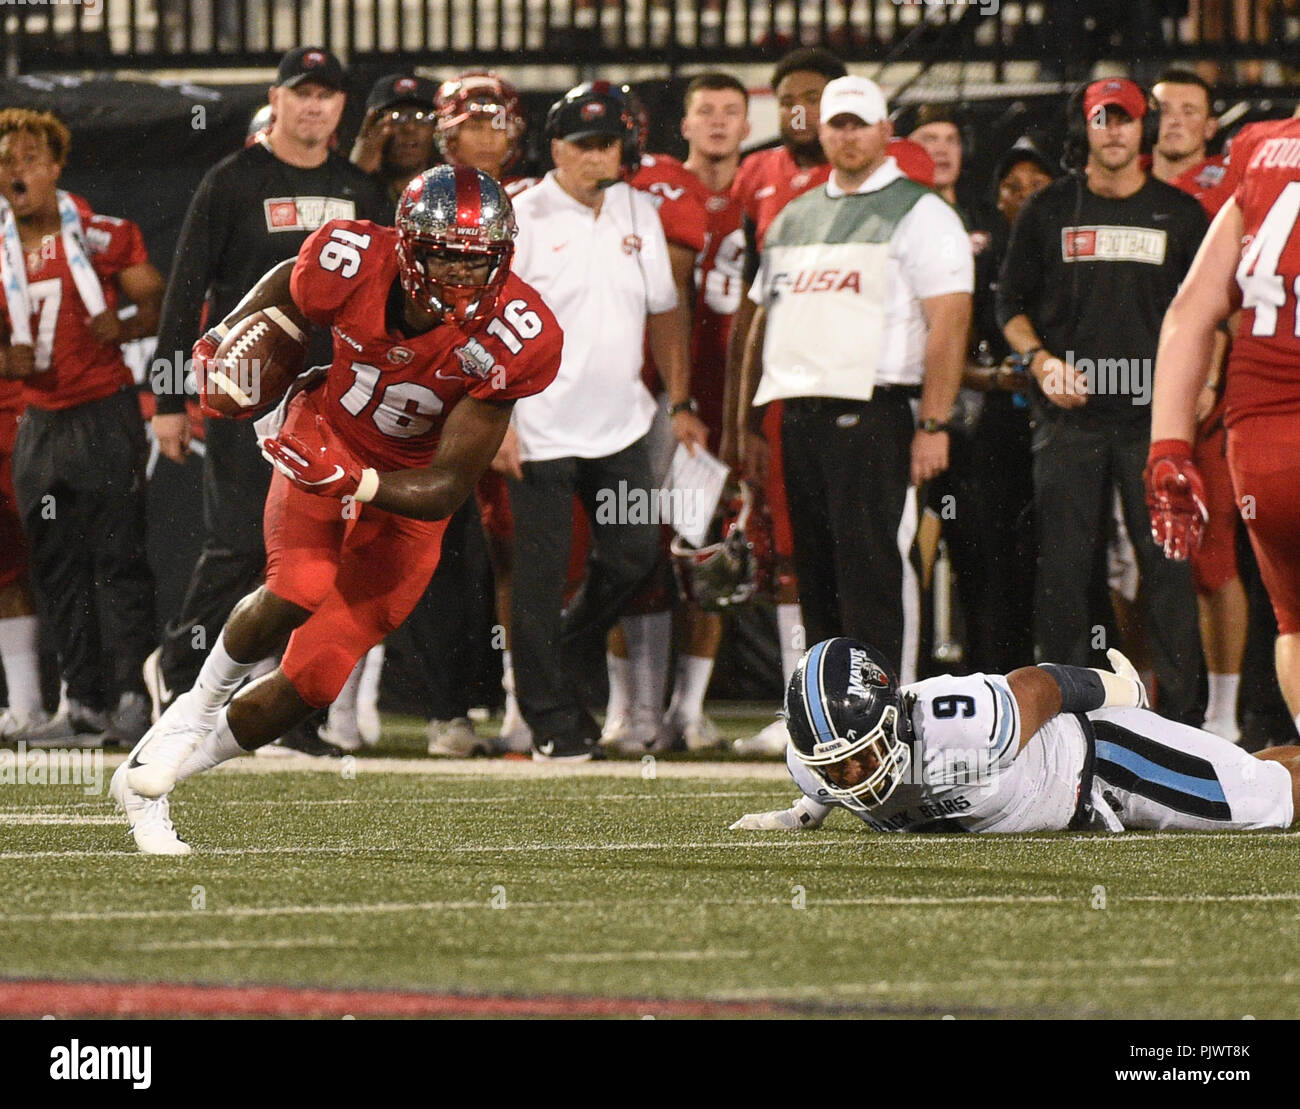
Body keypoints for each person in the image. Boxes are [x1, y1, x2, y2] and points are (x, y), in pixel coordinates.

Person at [111, 166, 562, 854]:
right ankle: (187, 713)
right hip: (326, 431)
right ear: (411, 249)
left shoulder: (518, 335)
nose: (463, 278)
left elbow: (446, 485)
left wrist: (357, 482)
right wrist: (234, 331)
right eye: (447, 257)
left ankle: (159, 772)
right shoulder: (352, 258)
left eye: (480, 263)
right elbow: (290, 288)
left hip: (404, 488)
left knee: (318, 676)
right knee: (299, 584)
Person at [148, 47, 389, 747]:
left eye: (327, 95)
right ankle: (179, 669)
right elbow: (187, 286)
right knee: (235, 545)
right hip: (249, 397)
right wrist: (168, 396)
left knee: (321, 555)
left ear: (342, 107)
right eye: (301, 93)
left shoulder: (359, 188)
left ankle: (290, 709)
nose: (313, 106)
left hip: (334, 400)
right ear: (276, 99)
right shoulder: (233, 179)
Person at [740, 75, 972, 686]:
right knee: (815, 570)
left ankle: (892, 710)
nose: (847, 135)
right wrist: (746, 423)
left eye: (859, 123)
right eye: (837, 123)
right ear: (820, 131)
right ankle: (834, 712)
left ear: (885, 131)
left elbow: (948, 321)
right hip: (801, 412)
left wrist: (933, 423)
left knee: (874, 566)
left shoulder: (922, 212)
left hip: (877, 412)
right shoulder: (795, 214)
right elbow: (763, 319)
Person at [503, 81, 706, 762]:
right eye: (584, 145)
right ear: (556, 147)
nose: (598, 158)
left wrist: (679, 401)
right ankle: (550, 720)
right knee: (536, 573)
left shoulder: (636, 209)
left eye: (608, 144)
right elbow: (488, 323)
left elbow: (665, 307)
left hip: (621, 421)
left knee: (632, 555)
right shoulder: (521, 215)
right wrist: (497, 419)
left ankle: (561, 648)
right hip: (537, 424)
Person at [998, 78, 1208, 724]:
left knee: (1169, 568)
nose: (1114, 129)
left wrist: (1208, 385)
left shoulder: (1181, 213)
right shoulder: (1048, 209)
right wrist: (1041, 360)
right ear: (1085, 127)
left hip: (1155, 418)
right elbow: (1009, 306)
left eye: (1126, 118)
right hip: (1068, 419)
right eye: (1101, 117)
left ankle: (1184, 723)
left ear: (1144, 128)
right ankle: (1062, 722)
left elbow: (1211, 313)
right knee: (1062, 569)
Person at [730, 636, 1297, 834]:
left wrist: (1124, 692)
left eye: (861, 757)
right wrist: (801, 814)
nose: (851, 778)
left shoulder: (961, 723)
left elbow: (1043, 685)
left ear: (898, 721)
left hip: (1102, 757)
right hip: (1067, 808)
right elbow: (826, 778)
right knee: (1239, 774)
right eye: (835, 768)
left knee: (1270, 798)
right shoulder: (817, 763)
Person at [0, 108, 165, 747]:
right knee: (56, 562)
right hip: (37, 420)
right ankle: (84, 701)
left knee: (118, 556)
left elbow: (153, 302)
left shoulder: (101, 234)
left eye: (31, 159)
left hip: (101, 412)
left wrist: (124, 324)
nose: (18, 171)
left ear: (56, 166)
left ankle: (132, 696)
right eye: (7, 160)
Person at [601, 70, 751, 753]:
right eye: (705, 111)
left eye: (731, 111)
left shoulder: (768, 184)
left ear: (749, 124)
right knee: (634, 545)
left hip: (729, 394)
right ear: (683, 124)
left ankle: (686, 708)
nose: (718, 122)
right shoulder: (652, 179)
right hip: (649, 393)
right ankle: (629, 706)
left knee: (706, 551)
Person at [1147, 112, 1300, 745]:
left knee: (1294, 622)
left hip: (1259, 441)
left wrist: (1167, 448)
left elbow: (1190, 312)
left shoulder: (1262, 148)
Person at [725, 47, 846, 756]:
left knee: (868, 546)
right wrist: (739, 416)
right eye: (790, 98)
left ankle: (882, 692)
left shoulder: (877, 171)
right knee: (786, 547)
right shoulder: (758, 173)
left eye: (815, 97)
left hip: (860, 382)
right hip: (784, 383)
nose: (801, 111)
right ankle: (804, 704)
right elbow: (751, 302)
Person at [1148, 68, 1245, 741]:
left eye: (1190, 110)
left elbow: (1223, 301)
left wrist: (1205, 375)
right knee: (1136, 557)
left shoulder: (1231, 187)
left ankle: (1223, 713)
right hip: (1124, 388)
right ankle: (1146, 703)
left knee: (1212, 554)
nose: (1175, 120)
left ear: (1213, 125)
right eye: (1165, 109)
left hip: (1196, 391)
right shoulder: (1116, 179)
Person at [349, 72, 441, 213]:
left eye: (422, 117)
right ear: (371, 125)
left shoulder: (449, 189)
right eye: (396, 116)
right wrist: (356, 175)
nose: (410, 128)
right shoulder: (351, 184)